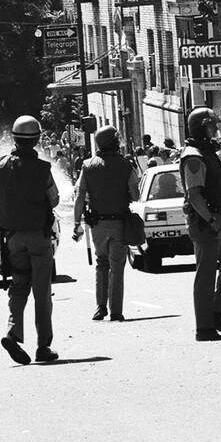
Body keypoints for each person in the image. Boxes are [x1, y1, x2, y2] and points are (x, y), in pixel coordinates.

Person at [0, 116, 61, 364]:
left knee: (19, 286)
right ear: (37, 139)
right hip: (38, 237)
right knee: (42, 292)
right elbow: (54, 199)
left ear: (15, 138)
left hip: (12, 237)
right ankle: (43, 346)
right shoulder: (42, 169)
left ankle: (12, 331)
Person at [181, 107, 221, 342]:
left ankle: (216, 312)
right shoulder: (193, 156)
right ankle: (204, 328)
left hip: (220, 217)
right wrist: (210, 219)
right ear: (200, 129)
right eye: (211, 126)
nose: (216, 130)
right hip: (205, 221)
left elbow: (218, 188)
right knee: (206, 274)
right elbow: (195, 194)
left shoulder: (208, 152)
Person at [73, 125, 138, 322]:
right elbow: (135, 195)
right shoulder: (126, 165)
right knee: (117, 266)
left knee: (101, 263)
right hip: (119, 222)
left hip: (97, 224)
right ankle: (116, 310)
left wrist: (76, 222)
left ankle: (100, 307)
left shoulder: (87, 166)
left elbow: (79, 196)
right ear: (115, 142)